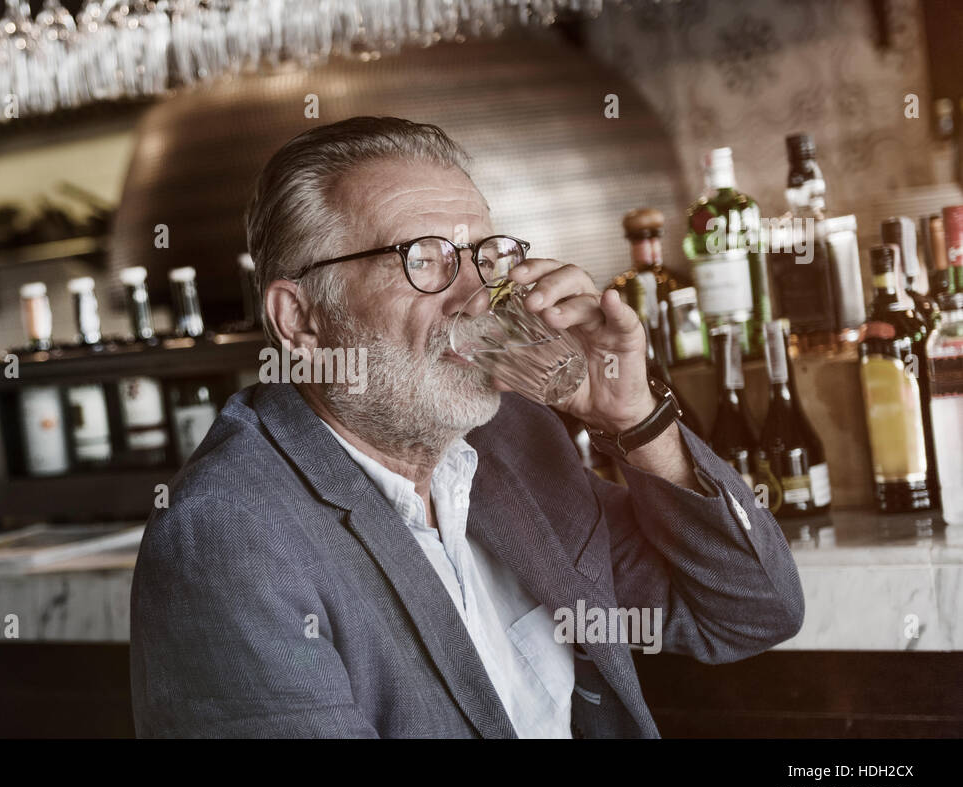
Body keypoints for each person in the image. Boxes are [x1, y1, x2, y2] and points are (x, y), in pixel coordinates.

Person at [130, 116, 803, 738]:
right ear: (301, 319)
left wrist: (633, 419)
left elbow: (749, 610)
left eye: (485, 255)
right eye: (423, 259)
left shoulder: (513, 439)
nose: (477, 295)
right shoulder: (226, 540)